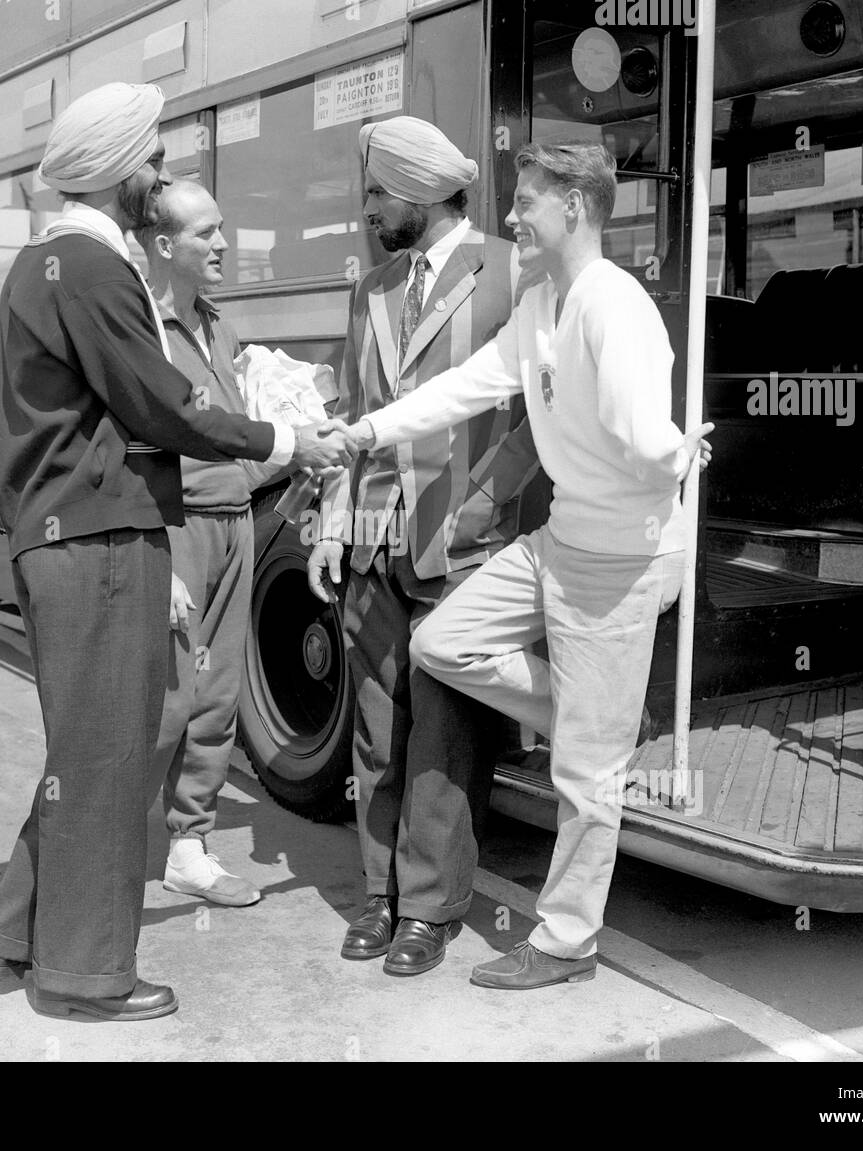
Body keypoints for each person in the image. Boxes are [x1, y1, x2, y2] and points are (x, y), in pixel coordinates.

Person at [0, 83, 352, 1022]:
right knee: (109, 758)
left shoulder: (41, 266)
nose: (158, 175)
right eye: (149, 159)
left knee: (86, 747)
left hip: (64, 536)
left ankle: (16, 937)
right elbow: (162, 406)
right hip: (99, 538)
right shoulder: (93, 268)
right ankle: (86, 973)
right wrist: (279, 441)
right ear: (112, 170)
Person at [329, 142, 713, 990]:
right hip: (558, 544)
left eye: (527, 201)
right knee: (442, 644)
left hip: (619, 556)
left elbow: (645, 437)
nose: (511, 217)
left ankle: (567, 940)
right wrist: (365, 432)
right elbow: (467, 385)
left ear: (574, 206)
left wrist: (676, 455)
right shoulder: (541, 301)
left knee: (582, 775)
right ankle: (595, 721)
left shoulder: (617, 307)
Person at [307, 115, 541, 976]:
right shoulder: (371, 287)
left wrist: (485, 502)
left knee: (445, 736)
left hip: (463, 540)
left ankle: (431, 906)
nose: (367, 209)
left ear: (420, 192)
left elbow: (534, 416)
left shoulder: (510, 271)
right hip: (371, 538)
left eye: (377, 193)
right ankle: (379, 894)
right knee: (378, 729)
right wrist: (333, 519)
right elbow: (353, 419)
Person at [139, 181, 261, 907]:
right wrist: (160, 557)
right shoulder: (144, 330)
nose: (221, 245)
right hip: (177, 526)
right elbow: (132, 448)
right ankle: (107, 842)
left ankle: (189, 845)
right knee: (168, 702)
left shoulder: (219, 324)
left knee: (218, 697)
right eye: (204, 234)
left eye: (221, 229)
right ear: (164, 247)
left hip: (235, 520)